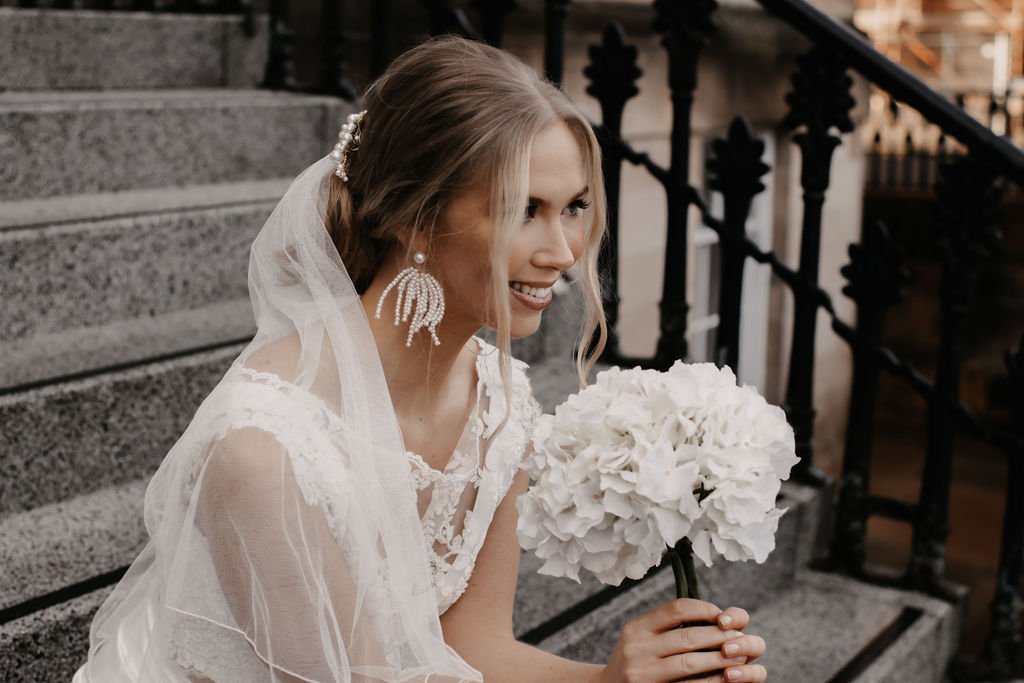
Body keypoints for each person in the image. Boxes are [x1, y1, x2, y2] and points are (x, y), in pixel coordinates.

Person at [73, 36, 767, 683]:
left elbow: (471, 648)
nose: (562, 253)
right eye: (522, 209)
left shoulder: (499, 399)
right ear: (414, 216)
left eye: (575, 206)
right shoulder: (266, 451)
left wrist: (617, 677)